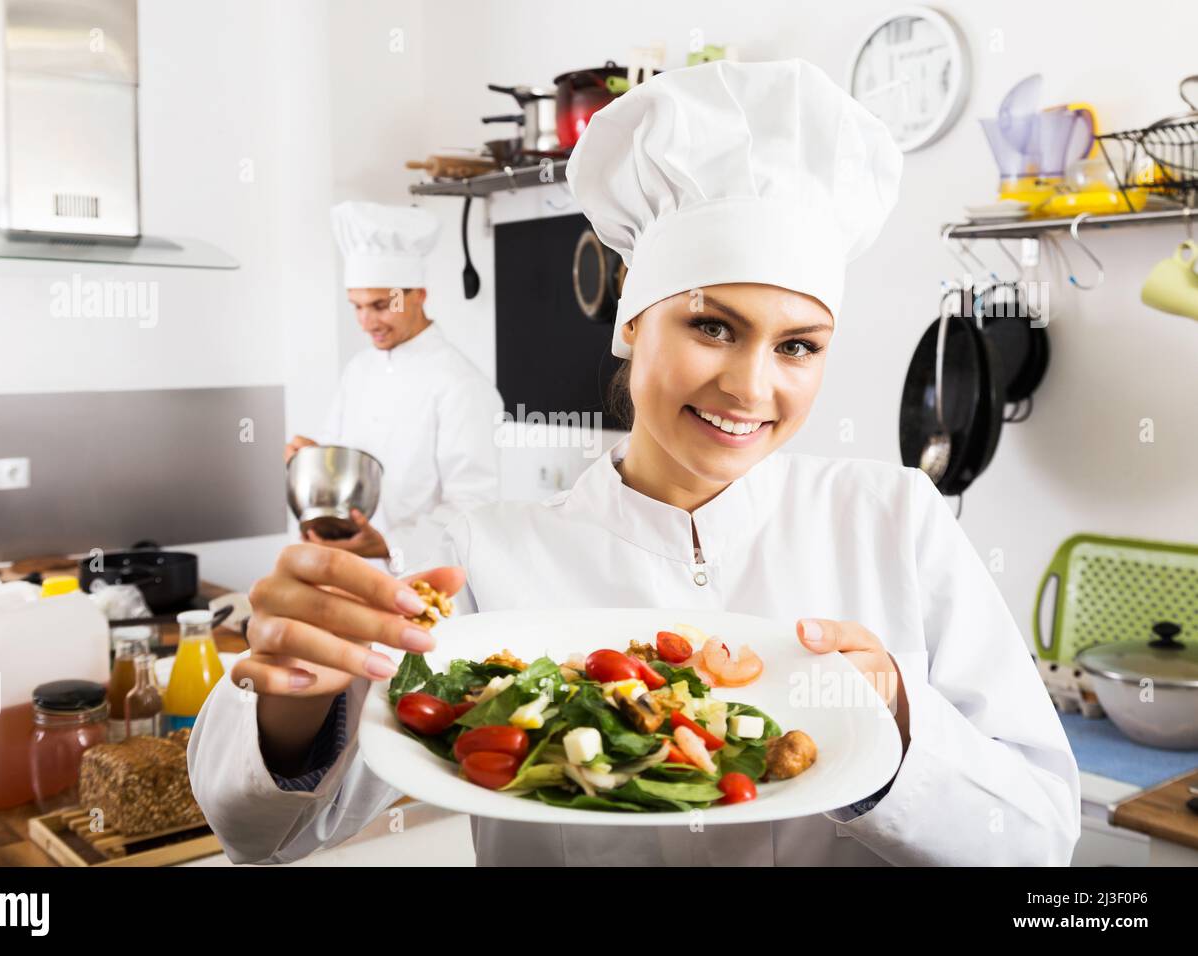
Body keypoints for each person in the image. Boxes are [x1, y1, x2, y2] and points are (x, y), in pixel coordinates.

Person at [189, 59, 1080, 866]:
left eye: (798, 346)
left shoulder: (896, 520)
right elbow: (263, 832)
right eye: (712, 325)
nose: (750, 385)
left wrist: (896, 725)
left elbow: (1039, 837)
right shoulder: (480, 561)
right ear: (630, 319)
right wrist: (294, 703)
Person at [285, 201, 504, 573]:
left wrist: (389, 545)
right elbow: (346, 466)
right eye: (356, 306)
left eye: (381, 305)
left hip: (425, 583)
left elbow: (474, 507)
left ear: (418, 295)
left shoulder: (461, 385)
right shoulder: (359, 370)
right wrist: (314, 461)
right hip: (353, 575)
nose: (366, 322)